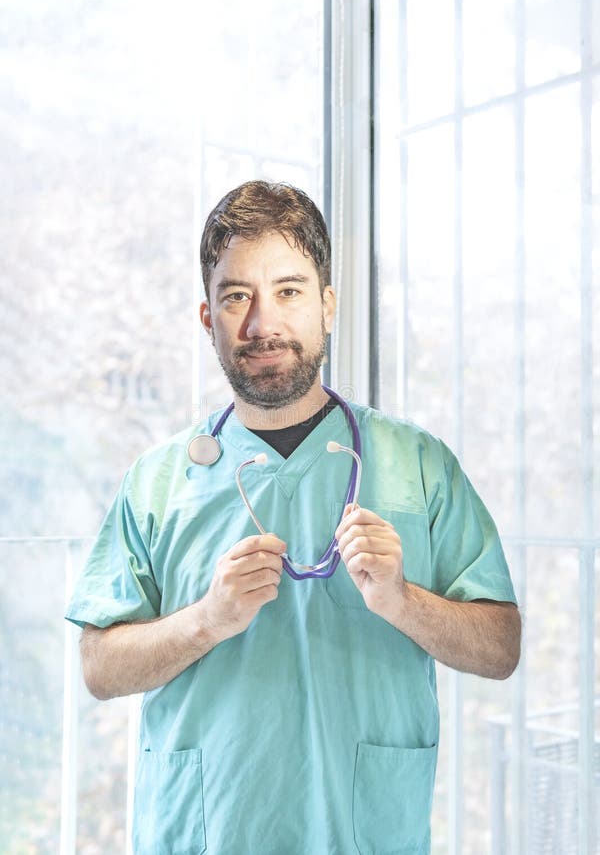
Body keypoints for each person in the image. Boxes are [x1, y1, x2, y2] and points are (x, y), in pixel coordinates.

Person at [66, 180, 521, 855]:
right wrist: (206, 621)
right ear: (207, 317)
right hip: (204, 832)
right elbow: (100, 667)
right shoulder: (158, 482)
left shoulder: (418, 464)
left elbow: (500, 647)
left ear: (327, 305)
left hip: (363, 830)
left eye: (288, 290)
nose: (262, 323)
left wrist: (401, 601)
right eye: (236, 296)